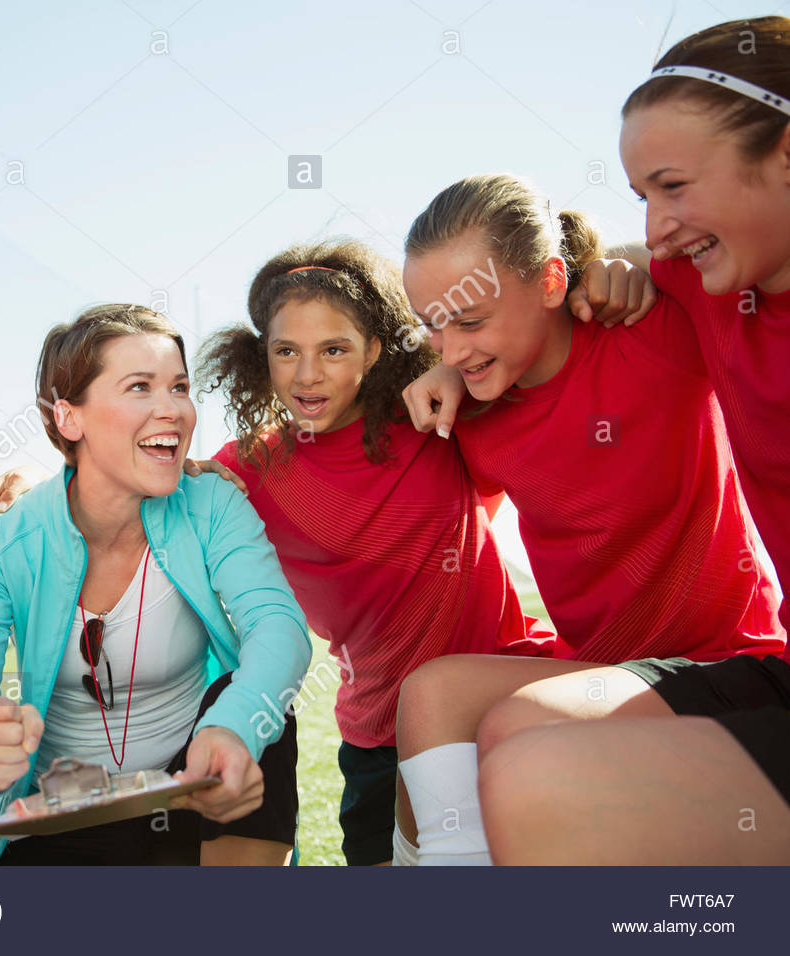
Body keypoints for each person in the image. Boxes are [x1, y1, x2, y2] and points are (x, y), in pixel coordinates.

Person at [392, 170, 784, 864]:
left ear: (549, 280)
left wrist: (634, 265)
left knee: (517, 728)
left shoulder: (655, 332)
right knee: (430, 696)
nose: (450, 349)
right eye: (433, 325)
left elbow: (712, 262)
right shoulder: (474, 411)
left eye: (471, 320)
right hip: (597, 669)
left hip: (725, 658)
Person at [473, 16, 790, 863]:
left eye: (673, 186)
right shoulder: (709, 283)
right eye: (641, 198)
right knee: (515, 734)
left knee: (545, 784)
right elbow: (602, 275)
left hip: (739, 639)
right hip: (777, 675)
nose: (655, 227)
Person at [196, 240, 565, 866]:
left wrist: (613, 269)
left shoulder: (434, 413)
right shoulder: (247, 470)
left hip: (502, 704)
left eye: (334, 350)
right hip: (376, 737)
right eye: (287, 351)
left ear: (373, 349)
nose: (307, 375)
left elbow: (534, 342)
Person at [0, 304, 312, 866]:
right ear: (69, 418)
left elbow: (279, 628)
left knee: (257, 700)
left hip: (196, 792)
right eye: (140, 387)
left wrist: (232, 730)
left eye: (180, 387)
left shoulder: (212, 503)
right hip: (62, 814)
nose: (173, 409)